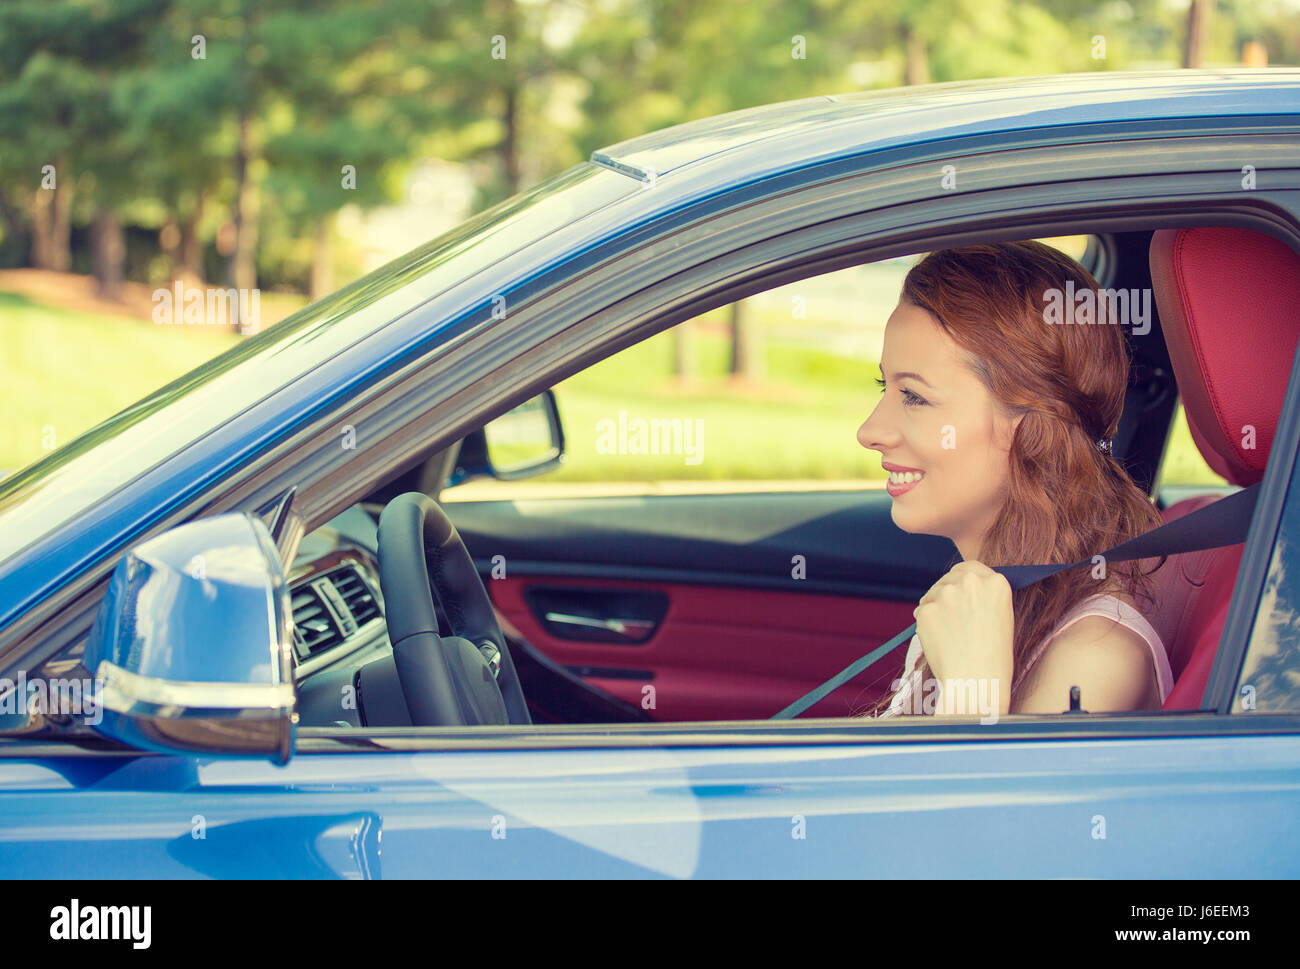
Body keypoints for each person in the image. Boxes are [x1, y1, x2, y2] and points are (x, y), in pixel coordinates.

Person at [856, 241, 1170, 719]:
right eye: (886, 387)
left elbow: (975, 796)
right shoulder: (987, 605)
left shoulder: (1092, 663)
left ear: (1030, 427)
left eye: (914, 397)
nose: (869, 432)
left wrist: (971, 697)